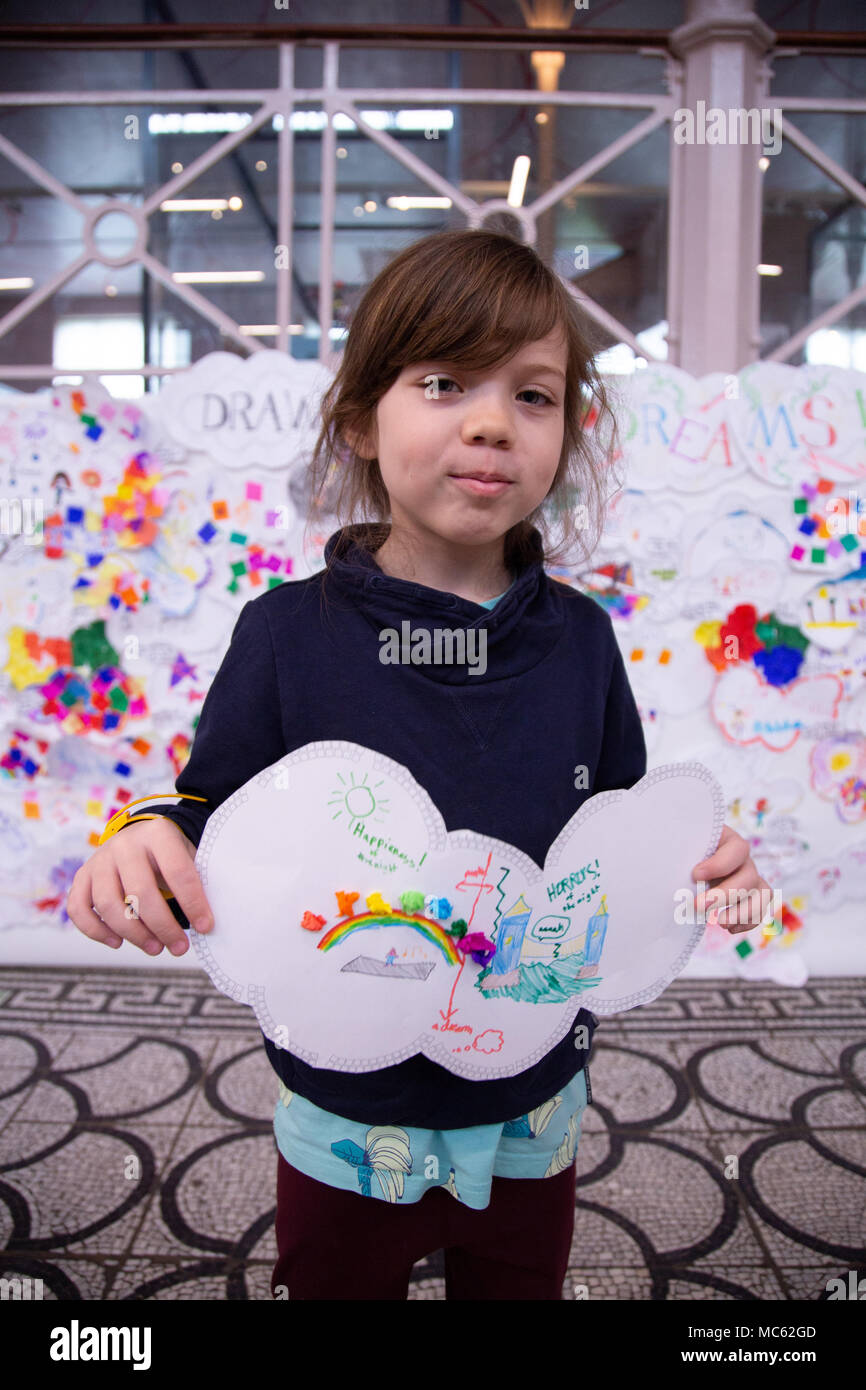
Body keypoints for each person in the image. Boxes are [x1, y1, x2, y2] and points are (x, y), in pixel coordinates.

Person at [67, 228, 772, 1301]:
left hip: (535, 1100)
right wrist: (140, 834)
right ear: (358, 420)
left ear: (566, 433)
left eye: (532, 396)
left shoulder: (581, 640)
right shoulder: (284, 635)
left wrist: (706, 881)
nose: (492, 420)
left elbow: (617, 842)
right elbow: (204, 808)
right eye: (443, 381)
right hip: (346, 1109)